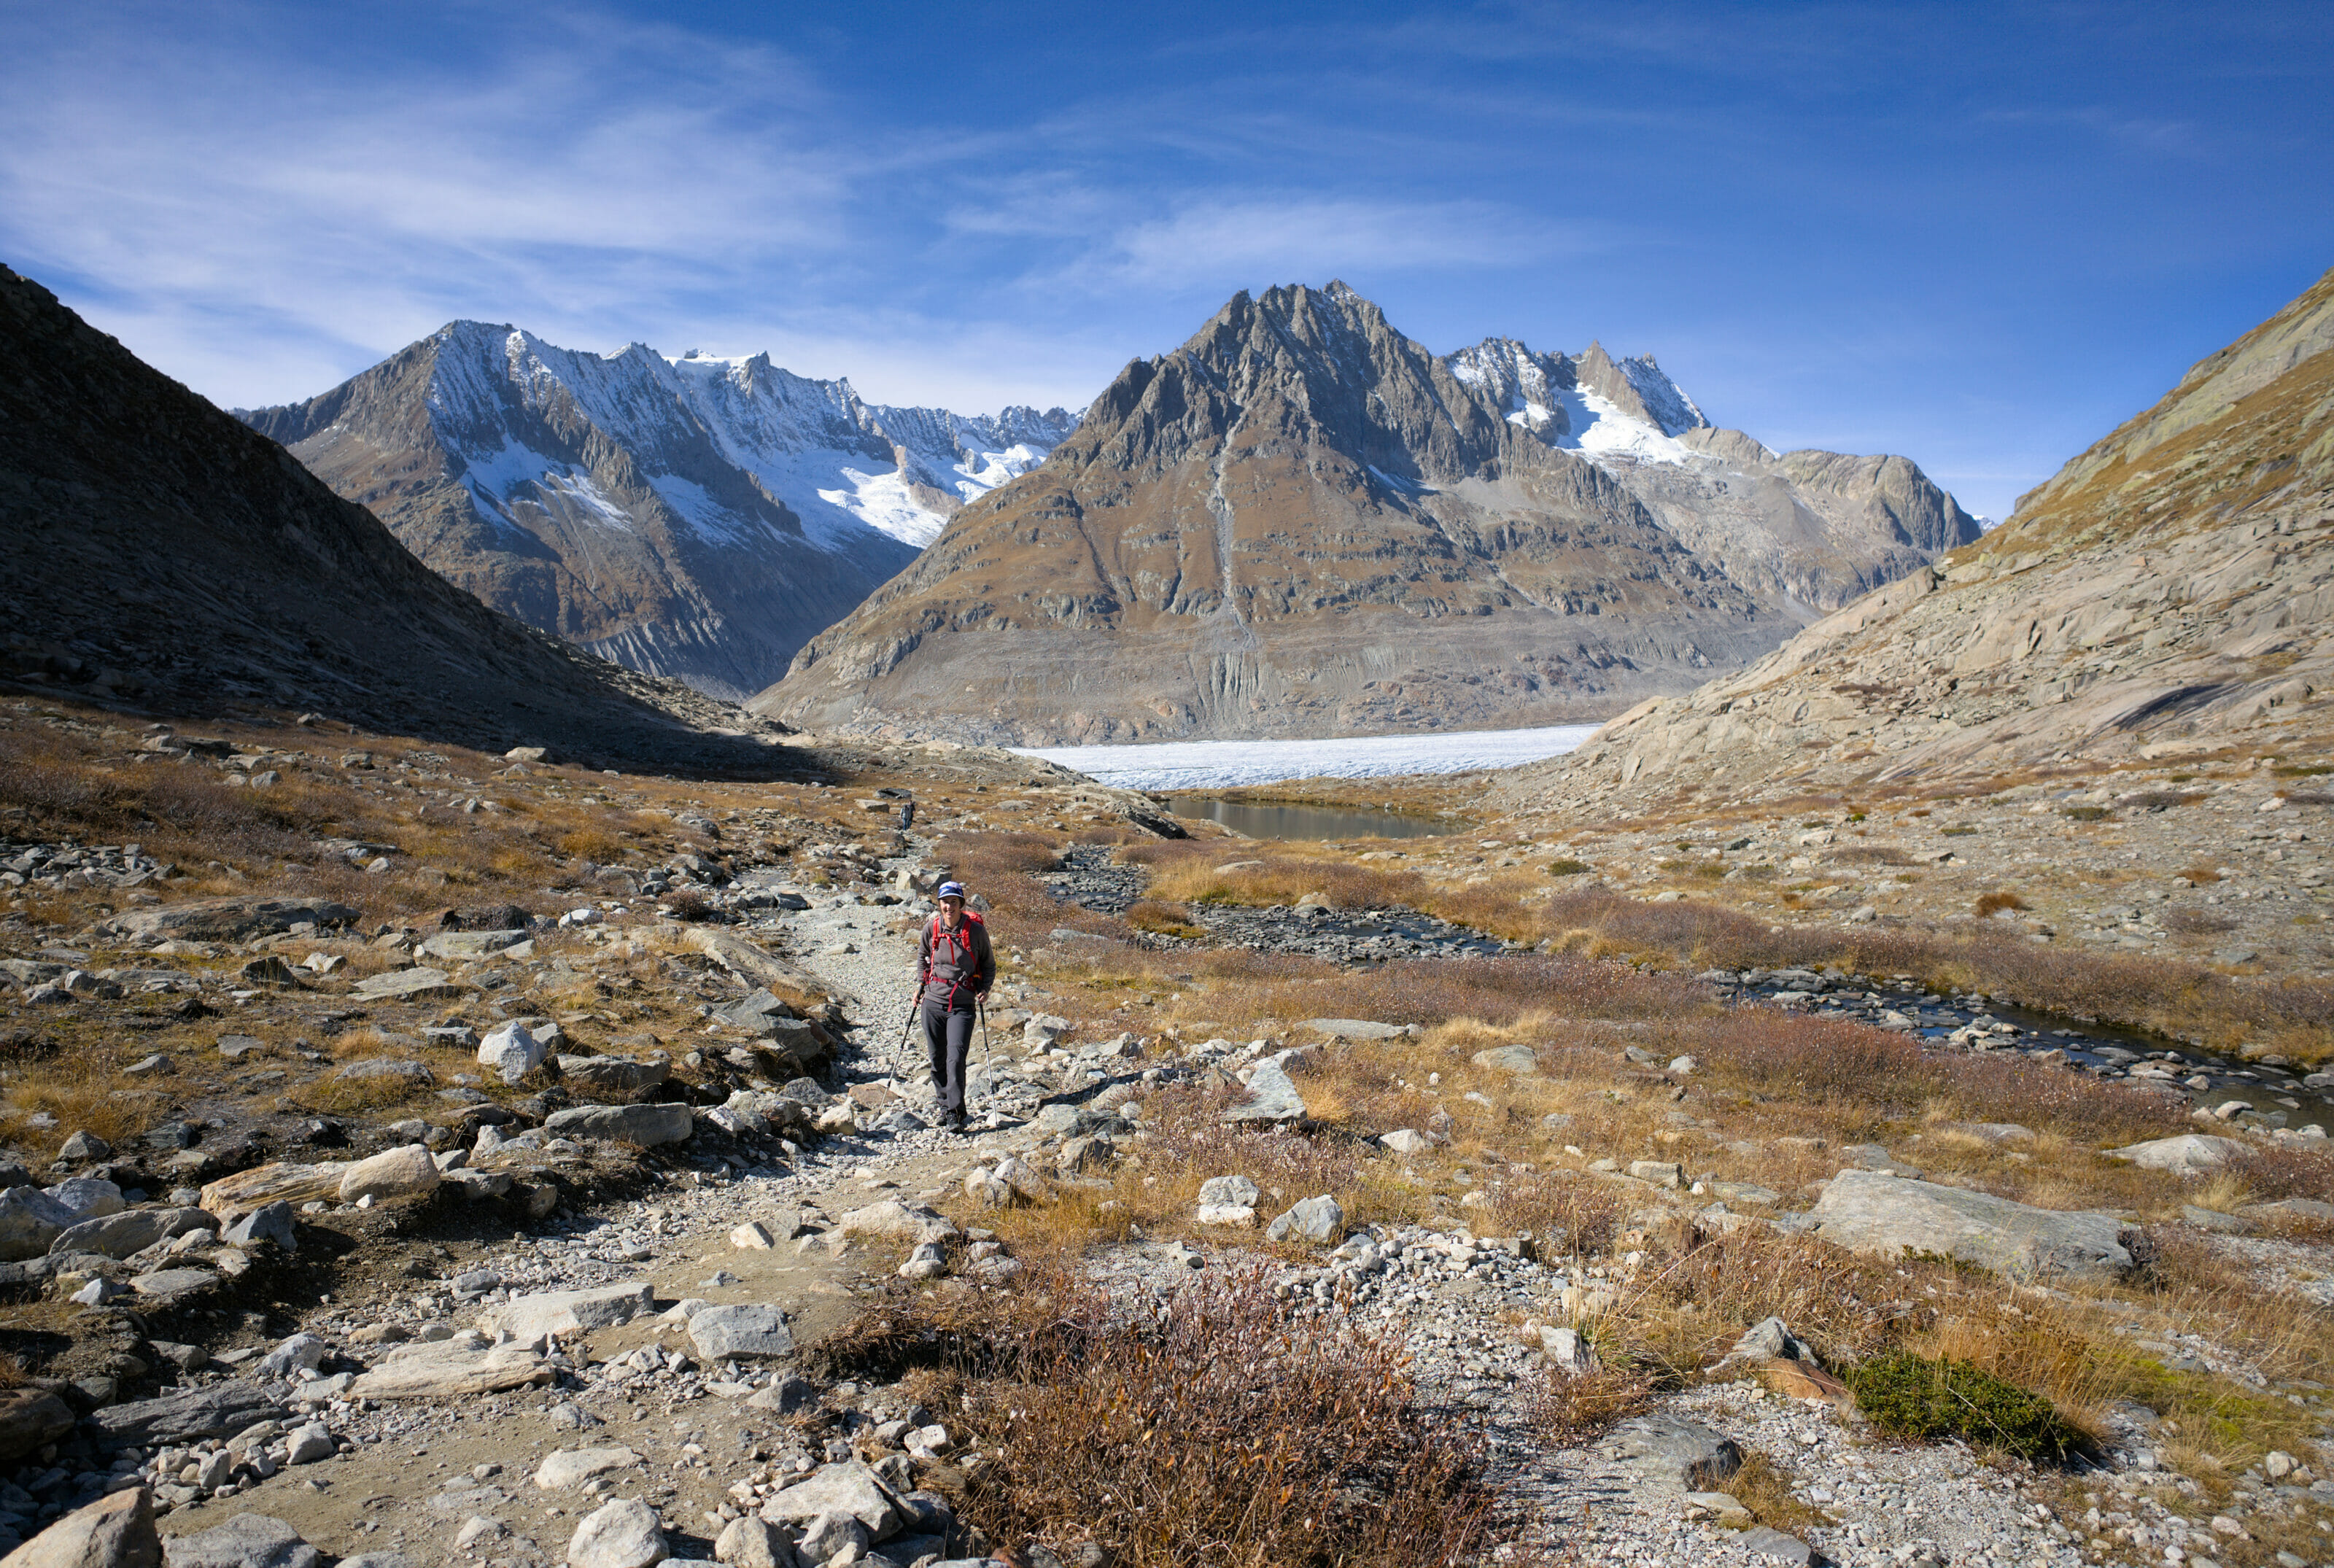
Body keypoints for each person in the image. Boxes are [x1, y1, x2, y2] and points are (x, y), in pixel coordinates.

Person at [918, 880, 993, 1131]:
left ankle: (956, 1113)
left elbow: (989, 964)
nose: (948, 906)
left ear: (961, 904)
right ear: (939, 904)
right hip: (933, 1003)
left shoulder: (976, 933)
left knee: (956, 1058)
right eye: (944, 901)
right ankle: (944, 1107)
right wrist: (921, 985)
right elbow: (922, 958)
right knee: (937, 1059)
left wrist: (985, 988)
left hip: (962, 1004)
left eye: (953, 901)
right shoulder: (932, 928)